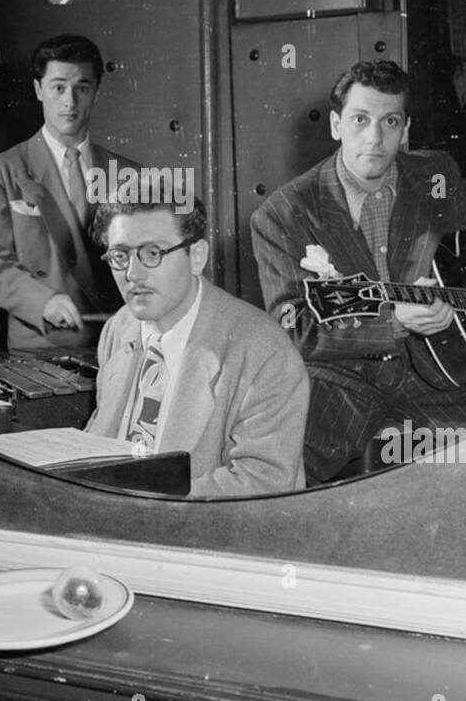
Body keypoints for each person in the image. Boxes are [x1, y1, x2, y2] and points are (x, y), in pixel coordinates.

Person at [250, 59, 466, 483]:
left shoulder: (434, 175)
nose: (375, 137)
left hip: (446, 377)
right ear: (336, 125)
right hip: (340, 384)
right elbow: (292, 328)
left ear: (405, 130)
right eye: (360, 119)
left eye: (390, 122)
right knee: (273, 481)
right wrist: (392, 324)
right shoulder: (284, 213)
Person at [87, 196, 308, 498]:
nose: (133, 274)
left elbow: (261, 483)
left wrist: (140, 505)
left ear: (197, 257)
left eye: (152, 253)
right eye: (120, 255)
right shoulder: (119, 328)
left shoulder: (265, 352)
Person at [0, 35, 138, 352]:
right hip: (41, 345)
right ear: (38, 90)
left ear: (96, 91)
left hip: (120, 343)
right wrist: (43, 301)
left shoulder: (130, 174)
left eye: (82, 88)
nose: (69, 102)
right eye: (58, 87)